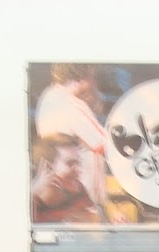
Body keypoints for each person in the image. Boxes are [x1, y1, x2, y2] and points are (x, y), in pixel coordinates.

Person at [33, 64, 108, 212]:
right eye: (92, 77)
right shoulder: (73, 104)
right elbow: (104, 145)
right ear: (82, 77)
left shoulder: (48, 96)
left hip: (59, 192)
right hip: (85, 196)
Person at [30, 134, 100, 224]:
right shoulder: (30, 211)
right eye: (70, 163)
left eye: (78, 162)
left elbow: (95, 220)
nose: (79, 169)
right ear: (48, 167)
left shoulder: (78, 189)